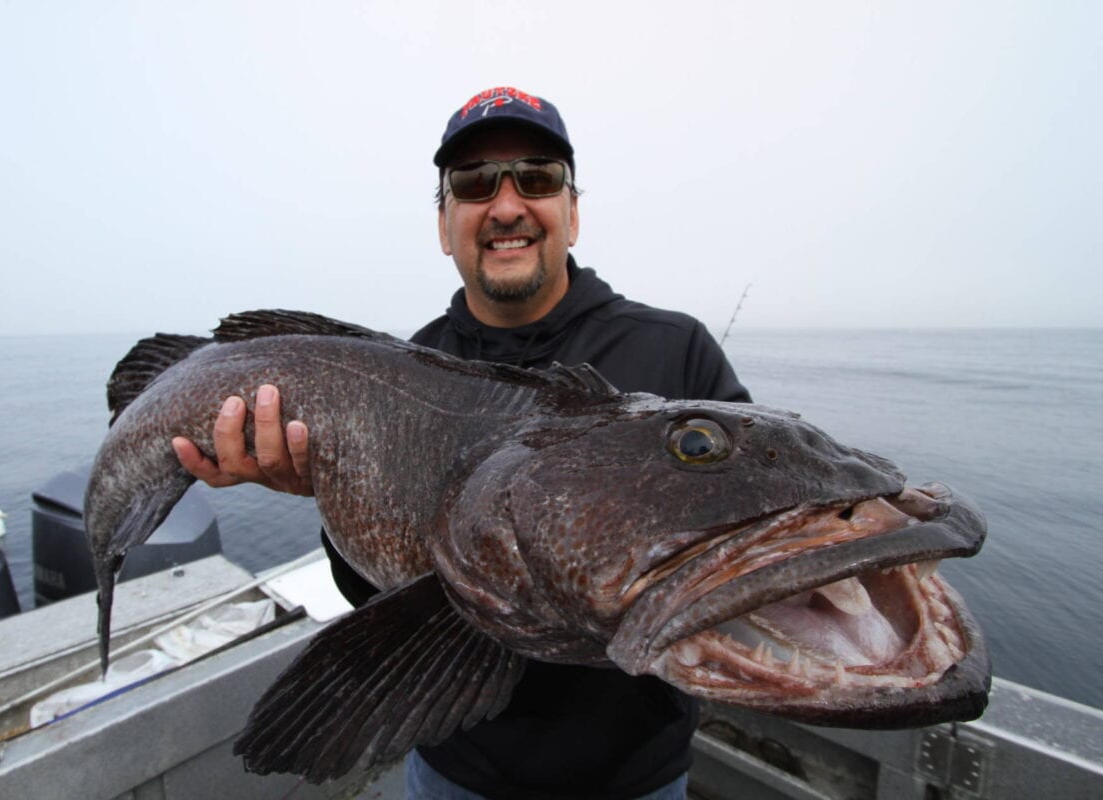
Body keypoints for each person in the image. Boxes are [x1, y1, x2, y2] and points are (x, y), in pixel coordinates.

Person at [172, 86, 750, 800]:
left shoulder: (675, 352)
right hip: (456, 774)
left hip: (638, 776)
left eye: (536, 178)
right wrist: (326, 493)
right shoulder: (395, 369)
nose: (506, 206)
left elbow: (751, 547)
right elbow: (374, 595)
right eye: (474, 185)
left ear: (573, 211)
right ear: (445, 225)